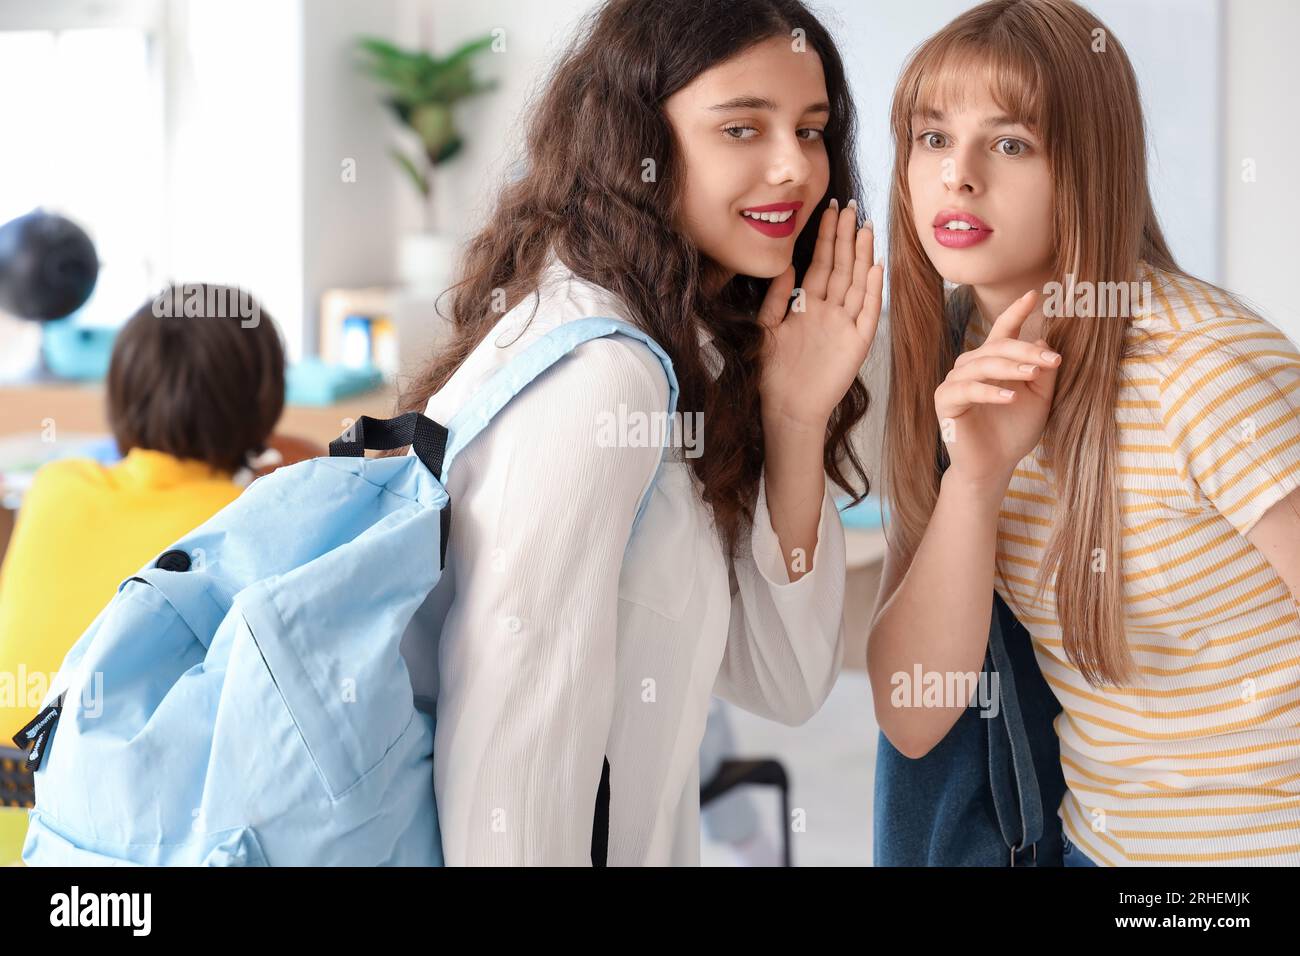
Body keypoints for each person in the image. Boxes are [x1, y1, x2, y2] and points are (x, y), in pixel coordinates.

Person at [395, 0, 882, 865]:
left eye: (810, 130)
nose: (794, 168)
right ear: (637, 142)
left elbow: (786, 679)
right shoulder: (599, 376)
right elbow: (508, 777)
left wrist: (797, 418)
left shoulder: (679, 352)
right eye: (741, 129)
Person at [868, 0, 1300, 866]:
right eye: (932, 137)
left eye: (1011, 143)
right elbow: (914, 720)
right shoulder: (947, 370)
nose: (959, 176)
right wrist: (974, 481)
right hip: (1095, 853)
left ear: (1088, 172)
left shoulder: (1198, 370)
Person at [0, 283, 285, 863]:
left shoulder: (57, 487)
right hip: (98, 848)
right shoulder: (247, 522)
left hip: (14, 817)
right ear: (263, 400)